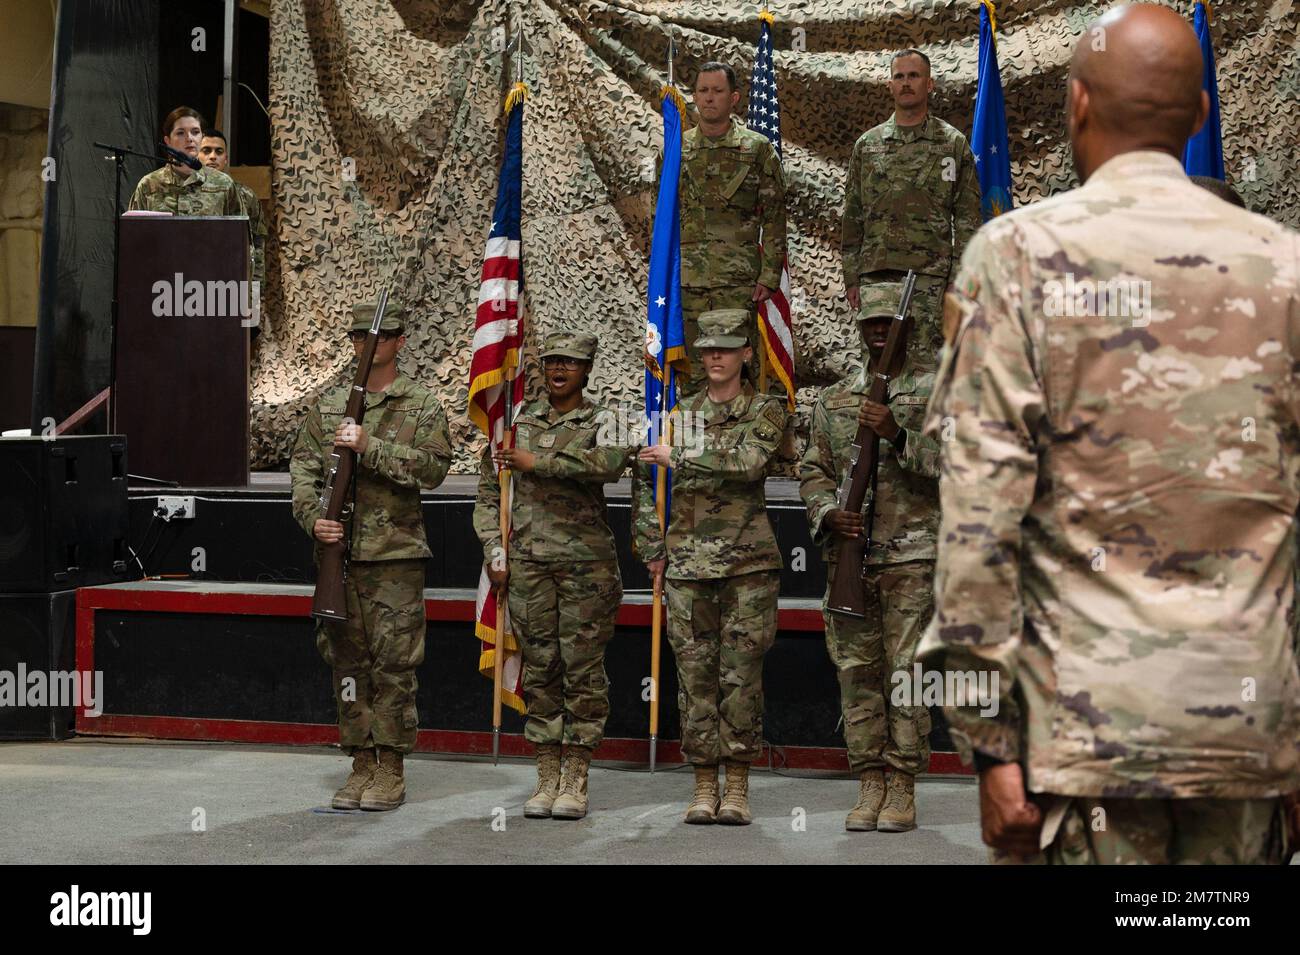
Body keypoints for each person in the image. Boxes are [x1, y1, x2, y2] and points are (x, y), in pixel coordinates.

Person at [917, 2, 1300, 864]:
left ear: (1077, 106)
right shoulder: (1285, 269)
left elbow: (978, 516)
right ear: (1201, 115)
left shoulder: (1014, 258)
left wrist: (986, 738)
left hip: (1085, 741)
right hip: (1246, 734)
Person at [289, 301, 452, 812]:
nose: (368, 345)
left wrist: (370, 446)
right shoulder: (329, 403)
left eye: (379, 337)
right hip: (339, 553)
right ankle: (359, 760)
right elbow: (302, 469)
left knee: (395, 666)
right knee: (346, 664)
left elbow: (433, 469)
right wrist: (312, 518)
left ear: (400, 342)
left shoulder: (420, 404)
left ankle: (391, 765)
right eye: (360, 337)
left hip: (394, 557)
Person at [634, 309, 787, 825]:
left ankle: (737, 784)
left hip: (747, 568)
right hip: (688, 568)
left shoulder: (765, 410)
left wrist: (681, 455)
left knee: (741, 679)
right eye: (706, 349)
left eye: (726, 348)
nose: (714, 357)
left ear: (747, 353)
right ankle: (703, 784)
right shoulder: (679, 413)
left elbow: (749, 463)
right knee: (695, 680)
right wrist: (654, 549)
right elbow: (649, 486)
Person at [800, 283, 939, 832]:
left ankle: (902, 785)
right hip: (849, 557)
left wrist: (900, 436)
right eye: (871, 323)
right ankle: (869, 782)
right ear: (859, 329)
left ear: (907, 329)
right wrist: (825, 513)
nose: (880, 331)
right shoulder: (834, 399)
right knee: (857, 672)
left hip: (911, 555)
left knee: (907, 673)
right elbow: (812, 469)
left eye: (890, 323)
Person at [474, 332, 631, 820]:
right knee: (541, 668)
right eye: (552, 362)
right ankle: (546, 772)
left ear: (588, 369)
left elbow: (610, 465)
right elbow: (488, 494)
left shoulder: (608, 417)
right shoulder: (515, 422)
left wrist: (537, 461)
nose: (560, 370)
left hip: (588, 567)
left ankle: (576, 775)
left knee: (582, 670)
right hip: (529, 566)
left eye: (571, 363)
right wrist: (495, 548)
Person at [841, 50, 980, 369]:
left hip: (931, 278)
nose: (906, 83)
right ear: (890, 85)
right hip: (877, 276)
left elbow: (968, 218)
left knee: (928, 369)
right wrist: (852, 276)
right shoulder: (868, 145)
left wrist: (957, 279)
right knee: (879, 368)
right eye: (899, 77)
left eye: (914, 76)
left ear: (930, 84)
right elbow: (853, 215)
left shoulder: (952, 144)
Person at [676, 62, 786, 391]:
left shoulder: (756, 149)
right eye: (703, 91)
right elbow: (661, 217)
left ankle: (743, 439)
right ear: (694, 96)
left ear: (734, 98)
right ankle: (692, 440)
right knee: (693, 370)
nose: (710, 98)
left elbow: (776, 216)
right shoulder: (676, 150)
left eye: (718, 91)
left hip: (739, 284)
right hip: (689, 282)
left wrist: (769, 275)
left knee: (741, 369)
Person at [128, 107, 246, 219]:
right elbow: (134, 233)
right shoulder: (149, 185)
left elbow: (240, 235)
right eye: (180, 133)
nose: (189, 138)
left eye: (195, 132)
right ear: (167, 141)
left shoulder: (223, 184)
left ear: (202, 138)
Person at [199, 129, 267, 289]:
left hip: (233, 284)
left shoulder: (246, 196)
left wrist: (255, 295)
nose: (213, 156)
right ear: (196, 155)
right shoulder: (185, 193)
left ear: (226, 159)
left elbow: (257, 248)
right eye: (206, 151)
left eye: (219, 151)